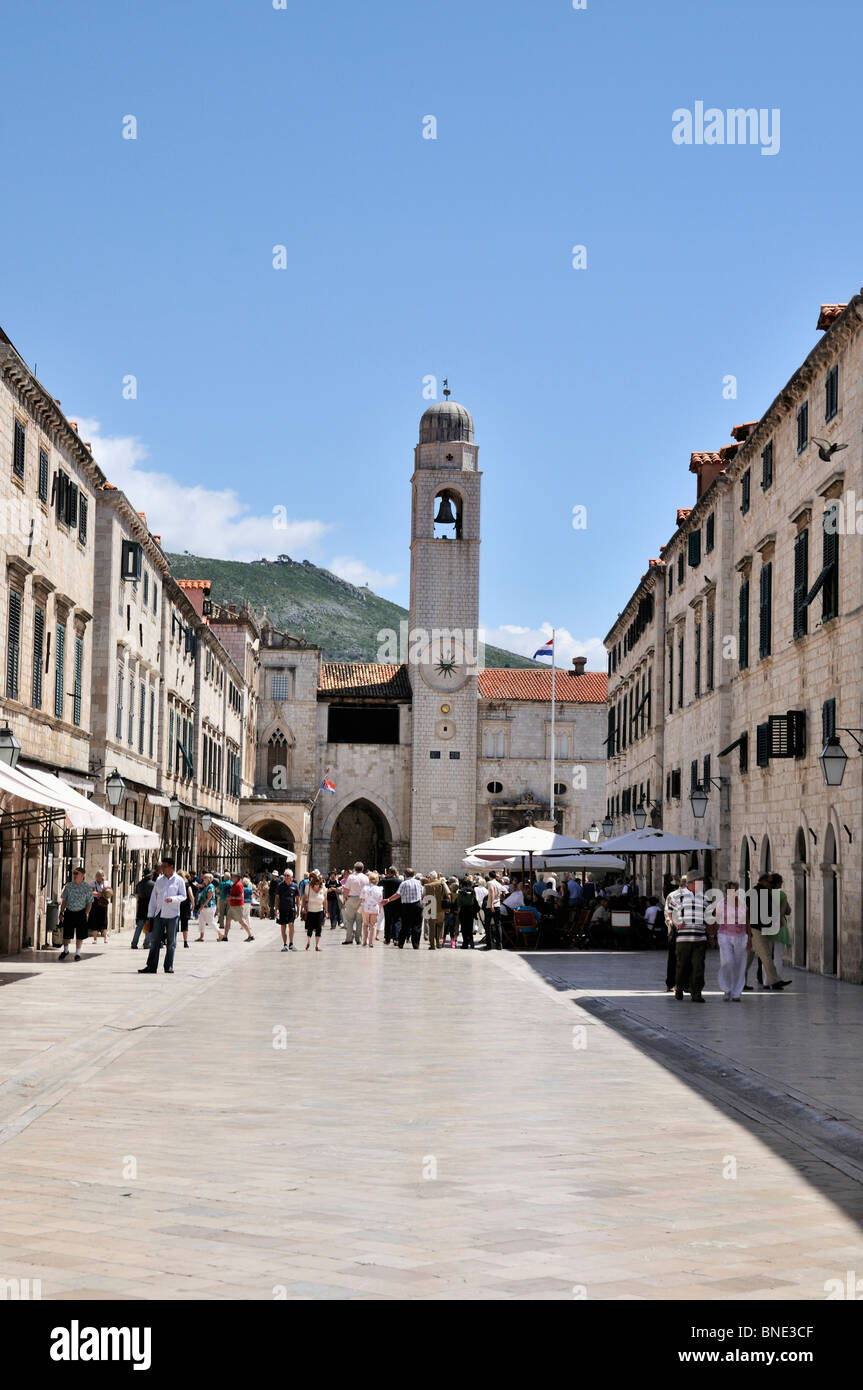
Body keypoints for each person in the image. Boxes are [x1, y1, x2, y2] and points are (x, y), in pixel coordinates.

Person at [139, 858, 187, 975]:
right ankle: (151, 966)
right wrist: (150, 915)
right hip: (159, 914)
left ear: (171, 867)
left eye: (164, 866)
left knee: (171, 942)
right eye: (162, 866)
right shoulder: (159, 880)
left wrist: (173, 899)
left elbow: (183, 896)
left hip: (172, 914)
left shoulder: (179, 880)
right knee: (154, 941)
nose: (162, 868)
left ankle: (168, 966)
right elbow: (153, 899)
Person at [745, 876, 791, 991]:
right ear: (763, 881)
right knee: (766, 956)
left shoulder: (762, 892)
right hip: (756, 929)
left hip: (758, 928)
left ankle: (739, 981)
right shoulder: (756, 892)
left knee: (748, 958)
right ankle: (775, 981)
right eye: (769, 882)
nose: (771, 884)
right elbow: (747, 911)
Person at [672, 870, 708, 1003]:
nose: (702, 884)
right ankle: (680, 988)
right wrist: (677, 922)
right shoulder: (679, 896)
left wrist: (711, 934)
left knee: (699, 966)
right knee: (683, 965)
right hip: (684, 938)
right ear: (691, 882)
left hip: (700, 938)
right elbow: (671, 912)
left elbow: (709, 917)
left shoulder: (704, 898)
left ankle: (696, 992)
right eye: (700, 881)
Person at [716, 881, 750, 1002]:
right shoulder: (721, 904)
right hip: (725, 935)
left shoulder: (742, 904)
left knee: (739, 964)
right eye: (731, 890)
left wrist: (749, 937)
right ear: (726, 891)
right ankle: (726, 988)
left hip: (740, 936)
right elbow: (716, 919)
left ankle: (736, 992)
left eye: (735, 890)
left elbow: (747, 920)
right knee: (728, 961)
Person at [58, 866, 93, 961]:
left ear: (82, 875)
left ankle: (77, 953)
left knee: (80, 935)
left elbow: (89, 903)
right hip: (69, 912)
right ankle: (65, 951)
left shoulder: (87, 888)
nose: (74, 875)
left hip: (81, 912)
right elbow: (64, 900)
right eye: (74, 873)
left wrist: (86, 914)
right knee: (66, 934)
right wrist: (61, 912)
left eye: (76, 873)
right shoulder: (69, 886)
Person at [383, 869, 424, 949]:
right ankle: (416, 944)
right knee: (417, 925)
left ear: (405, 875)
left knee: (405, 925)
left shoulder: (404, 883)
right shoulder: (419, 883)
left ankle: (401, 943)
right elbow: (422, 893)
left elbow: (398, 894)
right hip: (417, 905)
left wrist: (388, 900)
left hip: (407, 906)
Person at [663, 876, 687, 992]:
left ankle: (684, 983)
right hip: (675, 931)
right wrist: (672, 924)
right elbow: (667, 913)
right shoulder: (672, 895)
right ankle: (671, 983)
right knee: (673, 958)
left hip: (688, 932)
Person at [341, 862, 369, 946]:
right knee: (359, 920)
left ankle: (349, 938)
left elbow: (346, 890)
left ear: (354, 868)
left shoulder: (351, 877)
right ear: (362, 869)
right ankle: (358, 939)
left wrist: (345, 899)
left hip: (351, 898)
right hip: (361, 900)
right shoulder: (365, 878)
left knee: (349, 920)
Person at [131, 869, 157, 950]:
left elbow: (136, 896)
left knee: (139, 927)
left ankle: (134, 943)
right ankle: (146, 943)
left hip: (141, 906)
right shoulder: (153, 884)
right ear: (150, 875)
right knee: (148, 926)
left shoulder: (138, 884)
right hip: (150, 906)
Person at [276, 869, 300, 951]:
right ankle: (285, 944)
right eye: (285, 875)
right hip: (282, 909)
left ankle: (291, 943)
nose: (286, 877)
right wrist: (276, 909)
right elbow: (277, 898)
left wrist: (298, 910)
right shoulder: (280, 886)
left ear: (291, 877)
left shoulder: (295, 886)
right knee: (283, 926)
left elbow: (297, 898)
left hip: (291, 909)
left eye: (288, 876)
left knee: (291, 925)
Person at [302, 870, 326, 951]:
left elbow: (325, 901)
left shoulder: (323, 889)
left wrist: (327, 911)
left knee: (319, 928)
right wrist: (304, 908)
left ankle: (317, 945)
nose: (317, 884)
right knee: (310, 928)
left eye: (319, 883)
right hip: (311, 911)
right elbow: (304, 899)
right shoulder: (308, 887)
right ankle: (308, 942)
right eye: (316, 883)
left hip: (320, 910)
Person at [424, 871, 448, 950]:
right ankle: (439, 943)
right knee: (440, 926)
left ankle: (432, 945)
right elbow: (448, 893)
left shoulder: (427, 886)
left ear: (430, 877)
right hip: (441, 909)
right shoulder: (442, 883)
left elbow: (423, 897)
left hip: (431, 909)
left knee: (432, 927)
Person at [359, 871, 383, 947]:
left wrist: (357, 906)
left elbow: (361, 898)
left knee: (365, 924)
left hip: (366, 907)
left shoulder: (365, 888)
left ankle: (364, 941)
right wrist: (380, 909)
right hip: (374, 907)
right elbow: (380, 900)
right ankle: (371, 942)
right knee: (373, 925)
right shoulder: (379, 889)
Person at [381, 867, 402, 945]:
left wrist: (386, 876)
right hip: (397, 903)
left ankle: (387, 939)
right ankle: (396, 939)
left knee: (388, 921)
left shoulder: (384, 881)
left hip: (387, 903)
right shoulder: (400, 881)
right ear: (395, 873)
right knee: (397, 921)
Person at [483, 871, 503, 950]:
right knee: (498, 925)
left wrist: (491, 904)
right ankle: (499, 944)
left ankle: (489, 944)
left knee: (487, 925)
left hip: (490, 906)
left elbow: (491, 892)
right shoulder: (499, 883)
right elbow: (500, 894)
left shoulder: (490, 883)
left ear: (490, 876)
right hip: (497, 905)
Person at [196, 873, 218, 940]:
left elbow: (209, 898)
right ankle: (201, 936)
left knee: (210, 921)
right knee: (201, 921)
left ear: (208, 879)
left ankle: (220, 934)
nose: (203, 879)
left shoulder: (210, 886)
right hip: (205, 906)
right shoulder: (206, 886)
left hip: (209, 906)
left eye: (205, 878)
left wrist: (202, 906)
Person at [178, 872, 194, 948]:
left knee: (174, 924)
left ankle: (172, 940)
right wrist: (193, 904)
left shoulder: (176, 883)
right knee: (185, 924)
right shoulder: (187, 885)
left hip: (176, 905)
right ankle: (185, 942)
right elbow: (191, 895)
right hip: (185, 906)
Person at [216, 873, 232, 938]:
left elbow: (217, 891)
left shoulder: (221, 883)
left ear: (225, 877)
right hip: (229, 899)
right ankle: (228, 925)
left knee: (221, 912)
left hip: (222, 898)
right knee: (229, 913)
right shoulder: (231, 883)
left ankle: (222, 925)